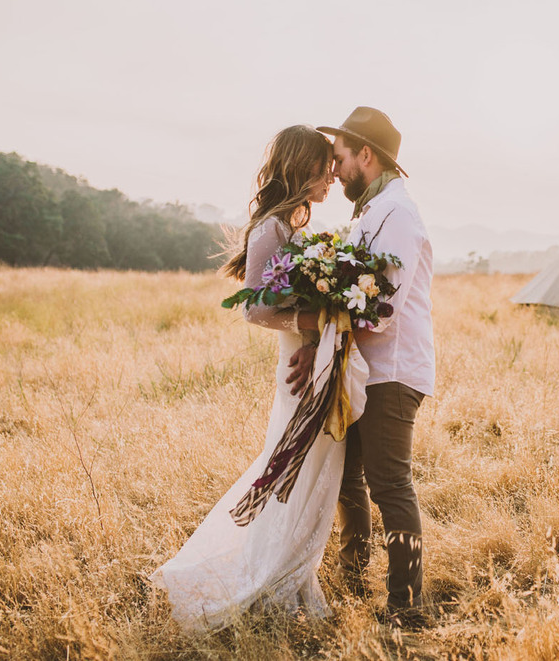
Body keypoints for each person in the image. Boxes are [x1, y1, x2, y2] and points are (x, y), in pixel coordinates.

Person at [148, 125, 338, 633]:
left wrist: (321, 333)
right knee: (287, 469)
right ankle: (263, 574)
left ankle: (295, 576)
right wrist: (313, 324)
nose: (332, 177)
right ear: (303, 167)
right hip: (297, 369)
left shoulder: (297, 230)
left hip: (315, 360)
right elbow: (255, 309)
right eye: (325, 167)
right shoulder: (270, 230)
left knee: (311, 470)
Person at [287, 107, 435, 625]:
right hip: (361, 369)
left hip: (392, 371)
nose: (335, 168)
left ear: (366, 156)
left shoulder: (397, 214)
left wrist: (326, 327)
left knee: (390, 483)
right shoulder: (371, 212)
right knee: (347, 477)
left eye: (341, 157)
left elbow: (381, 308)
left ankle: (406, 604)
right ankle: (353, 575)